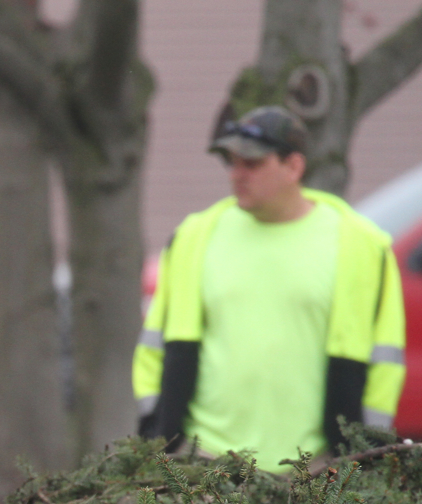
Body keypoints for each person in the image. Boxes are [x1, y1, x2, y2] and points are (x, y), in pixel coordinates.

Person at [133, 105, 406, 466]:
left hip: (314, 467)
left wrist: (364, 451)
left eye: (252, 163)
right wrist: (159, 434)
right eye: (232, 162)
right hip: (205, 462)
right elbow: (153, 346)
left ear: (294, 166)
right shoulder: (193, 238)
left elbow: (384, 361)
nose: (236, 174)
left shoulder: (362, 245)